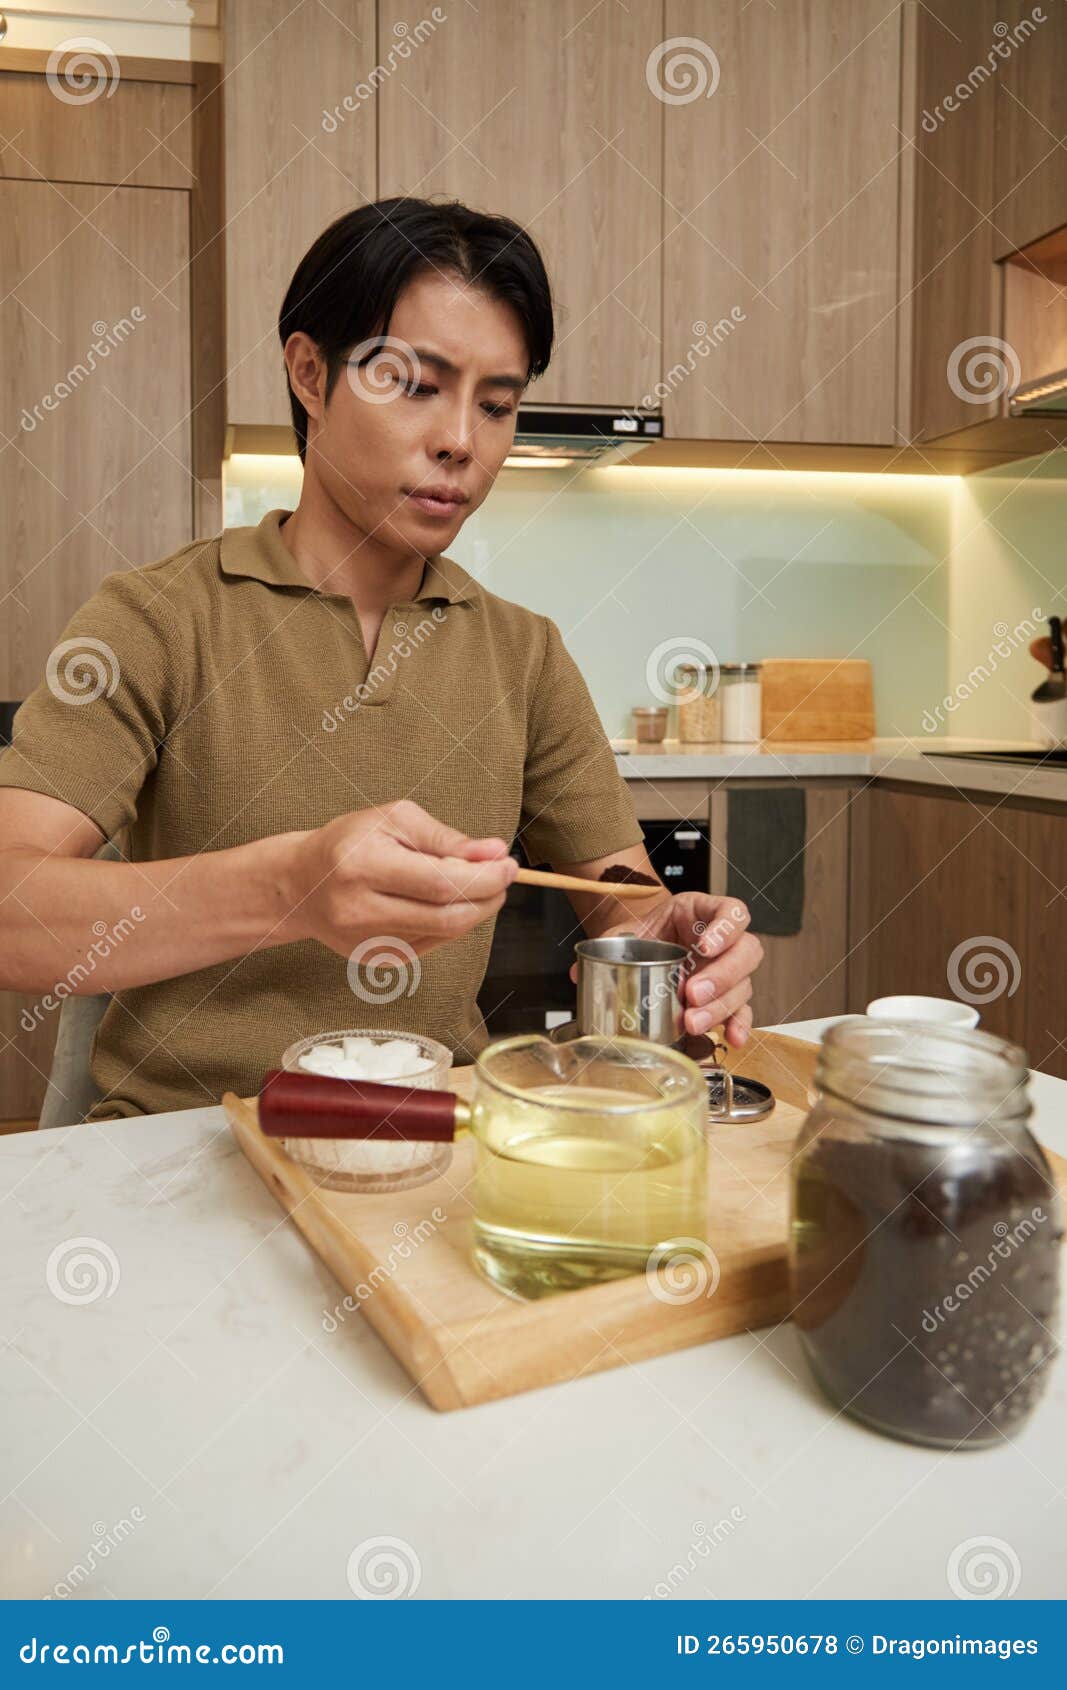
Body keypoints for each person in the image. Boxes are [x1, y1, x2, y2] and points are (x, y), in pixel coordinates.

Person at [0, 197, 762, 1121]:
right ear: (310, 373)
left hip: (433, 1135)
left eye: (497, 404)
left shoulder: (523, 654)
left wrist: (672, 942)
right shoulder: (156, 619)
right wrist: (291, 887)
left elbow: (621, 899)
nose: (461, 442)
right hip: (180, 1149)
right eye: (414, 384)